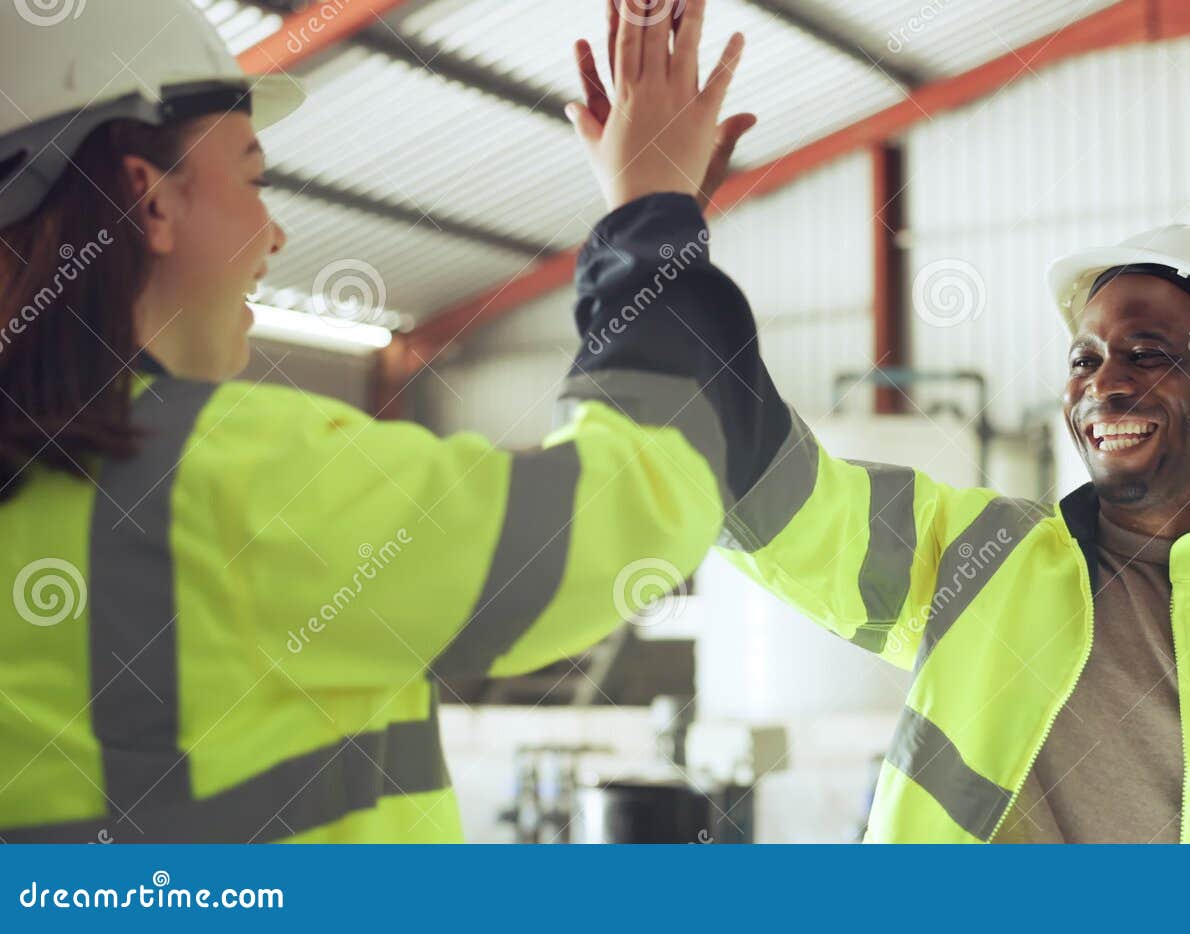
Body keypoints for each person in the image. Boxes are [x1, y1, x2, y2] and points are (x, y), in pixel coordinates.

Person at [562, 7, 1190, 843]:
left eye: (1151, 353)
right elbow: (752, 481)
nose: (1105, 386)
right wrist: (651, 224)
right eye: (1085, 359)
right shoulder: (976, 562)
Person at [0, 0, 750, 842]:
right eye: (253, 179)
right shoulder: (225, 476)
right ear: (150, 202)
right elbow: (636, 508)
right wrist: (650, 215)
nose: (273, 232)